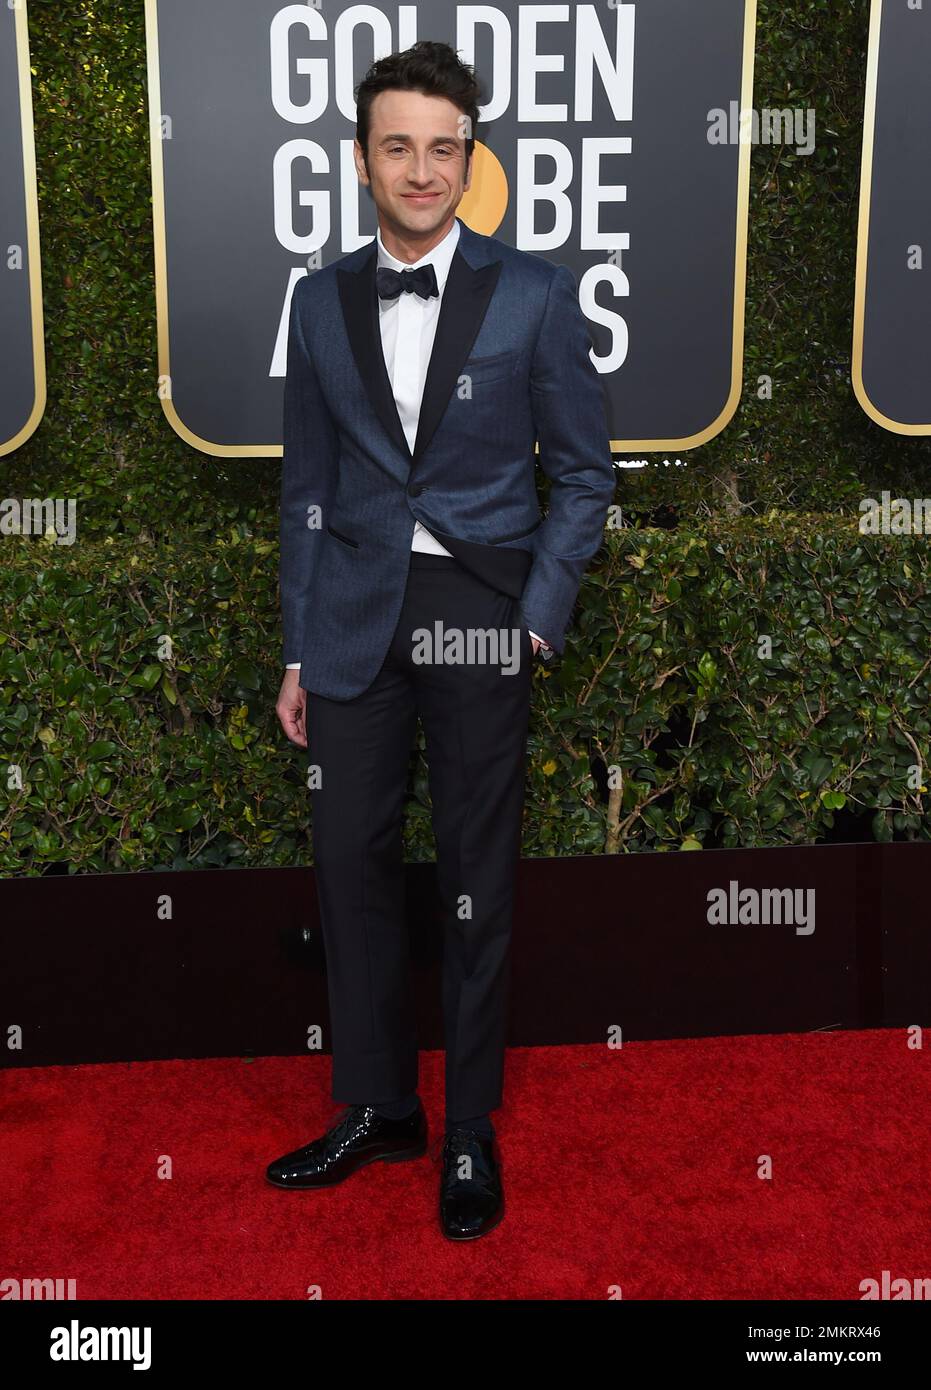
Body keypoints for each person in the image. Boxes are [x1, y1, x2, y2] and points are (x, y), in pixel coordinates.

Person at [267, 39, 615, 1240]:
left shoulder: (534, 295)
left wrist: (533, 620)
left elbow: (582, 475)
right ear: (362, 159)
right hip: (355, 621)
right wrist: (300, 650)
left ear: (471, 160)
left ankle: (467, 1126)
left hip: (478, 614)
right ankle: (378, 1103)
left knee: (474, 876)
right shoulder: (317, 301)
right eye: (399, 145)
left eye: (445, 148)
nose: (423, 169)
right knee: (347, 860)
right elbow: (305, 489)